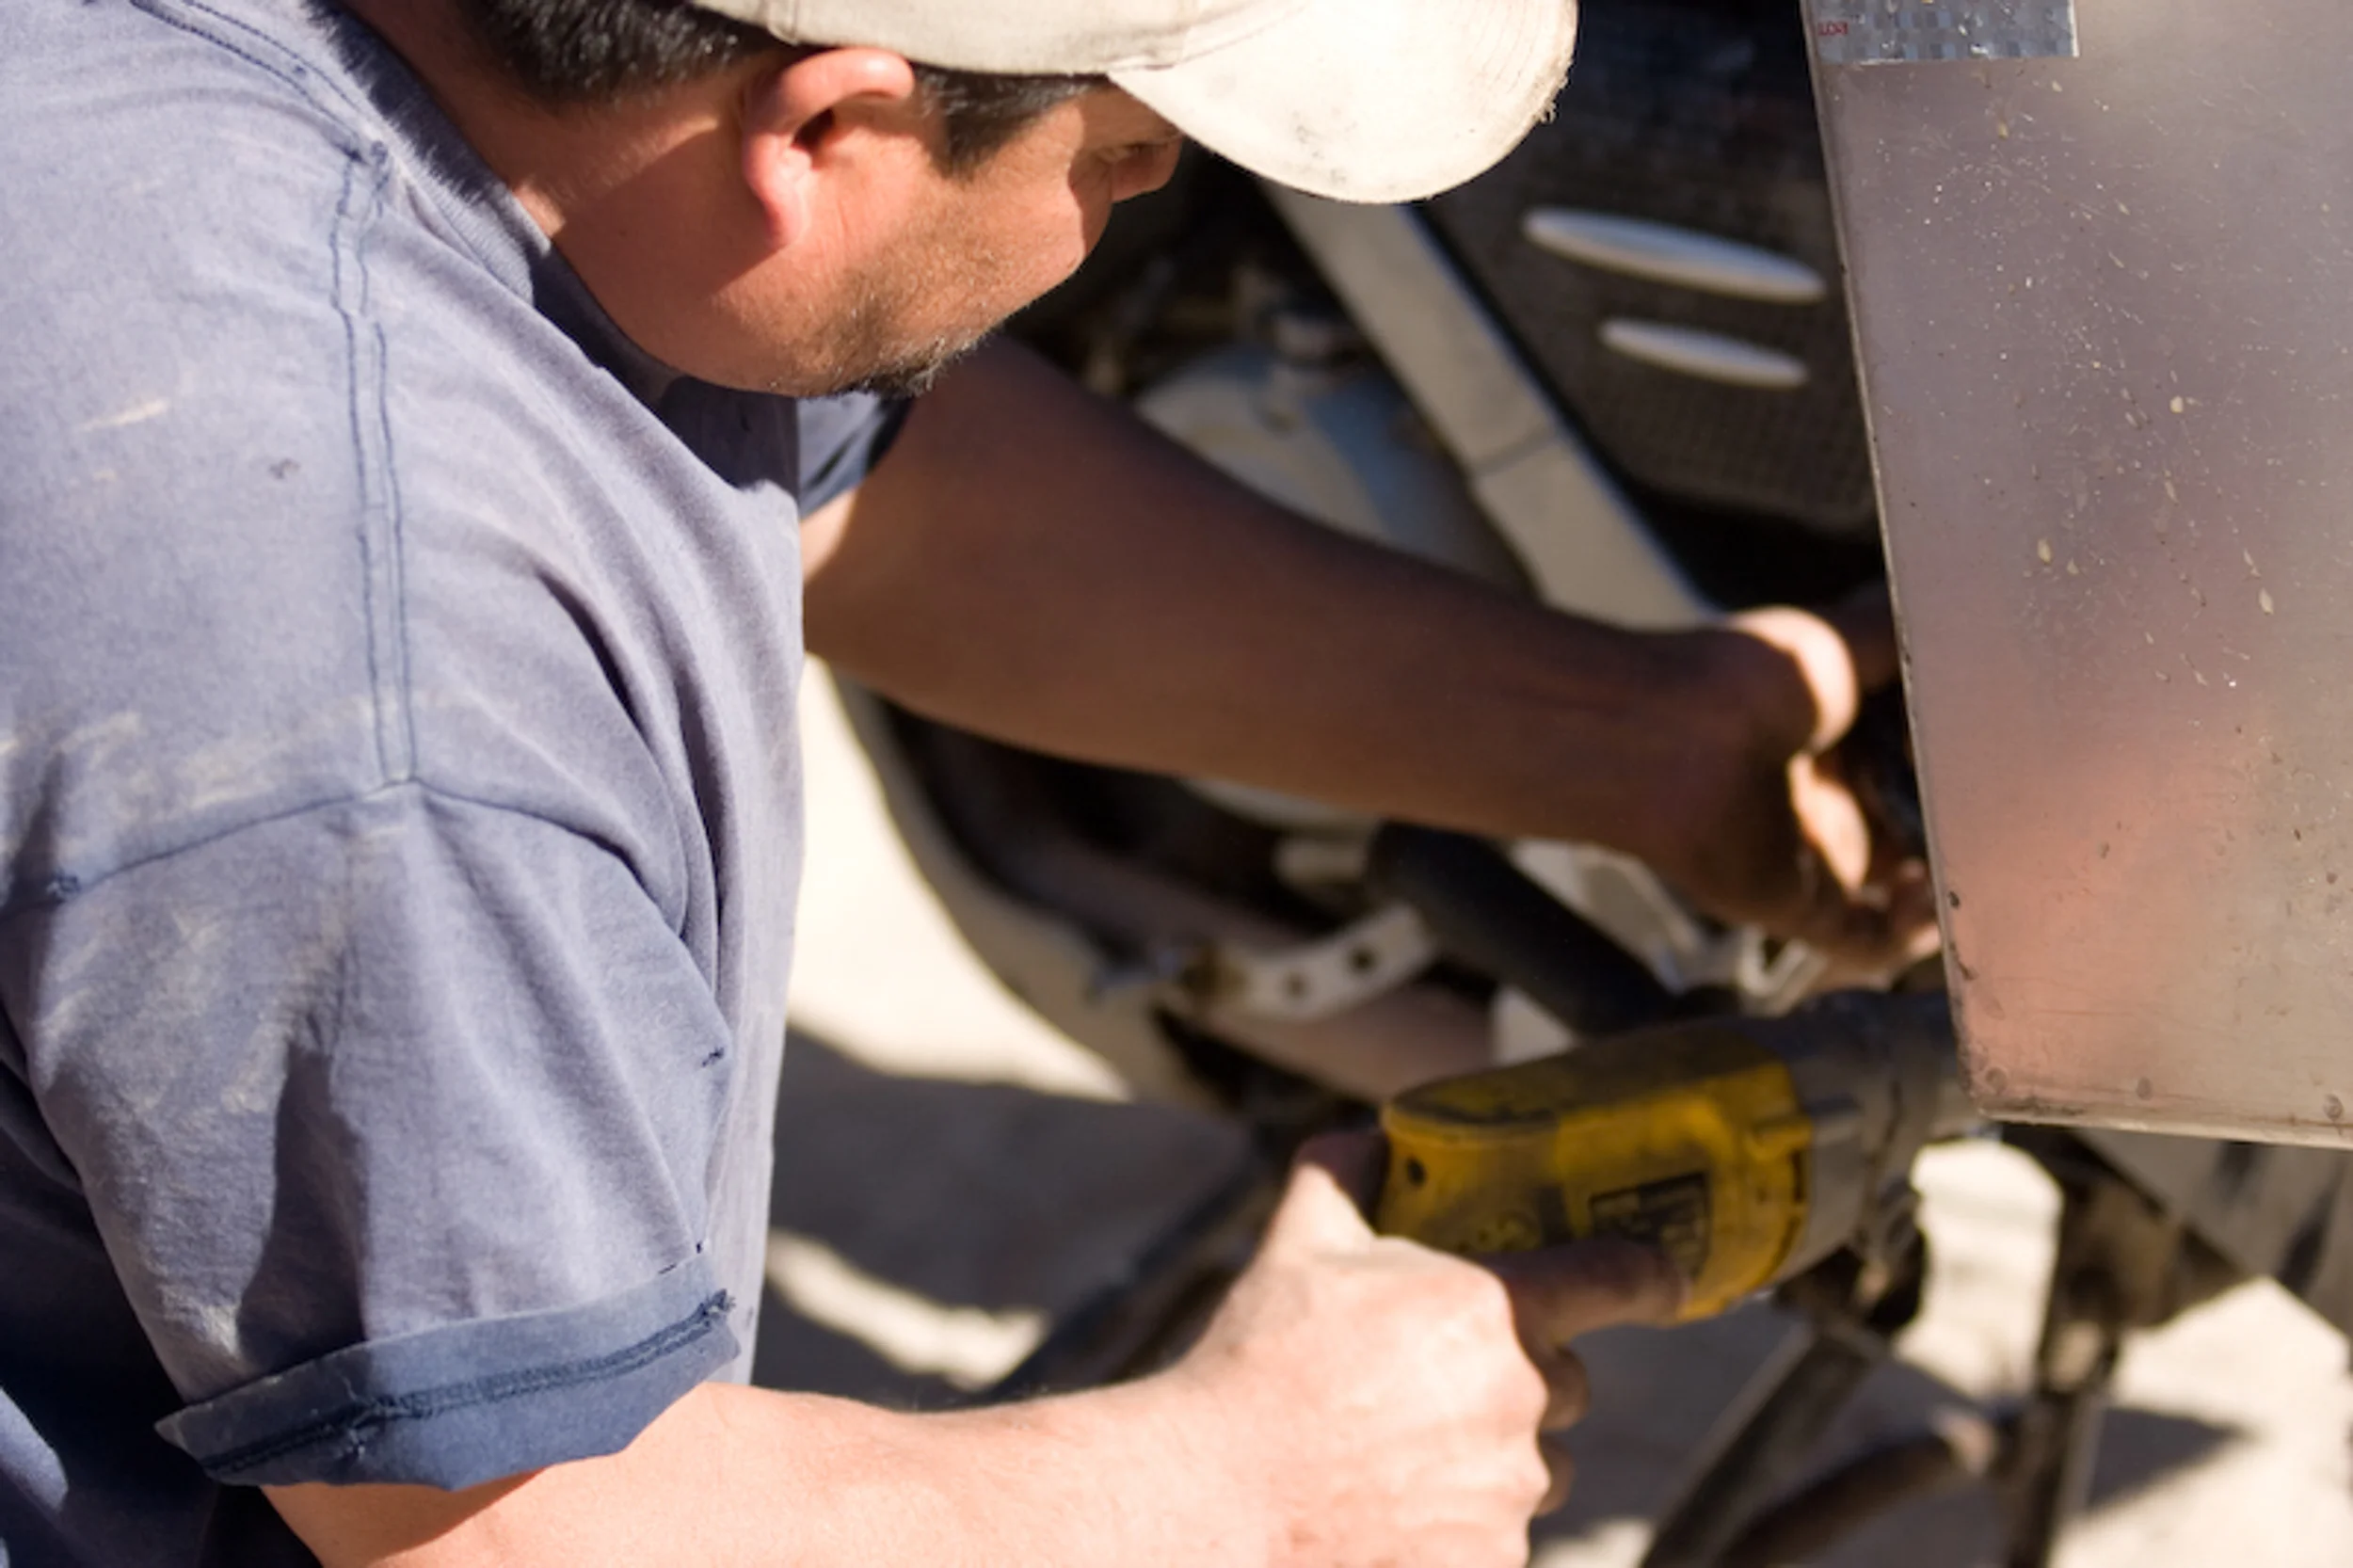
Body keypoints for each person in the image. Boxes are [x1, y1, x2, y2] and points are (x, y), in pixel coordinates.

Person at [0, 1, 1936, 1563]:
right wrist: (1245, 1478)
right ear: (826, 131)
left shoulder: (427, 110)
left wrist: (1631, 736)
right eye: (1123, 150)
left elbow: (882, 495)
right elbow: (537, 1528)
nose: (1146, 188)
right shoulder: (384, 696)